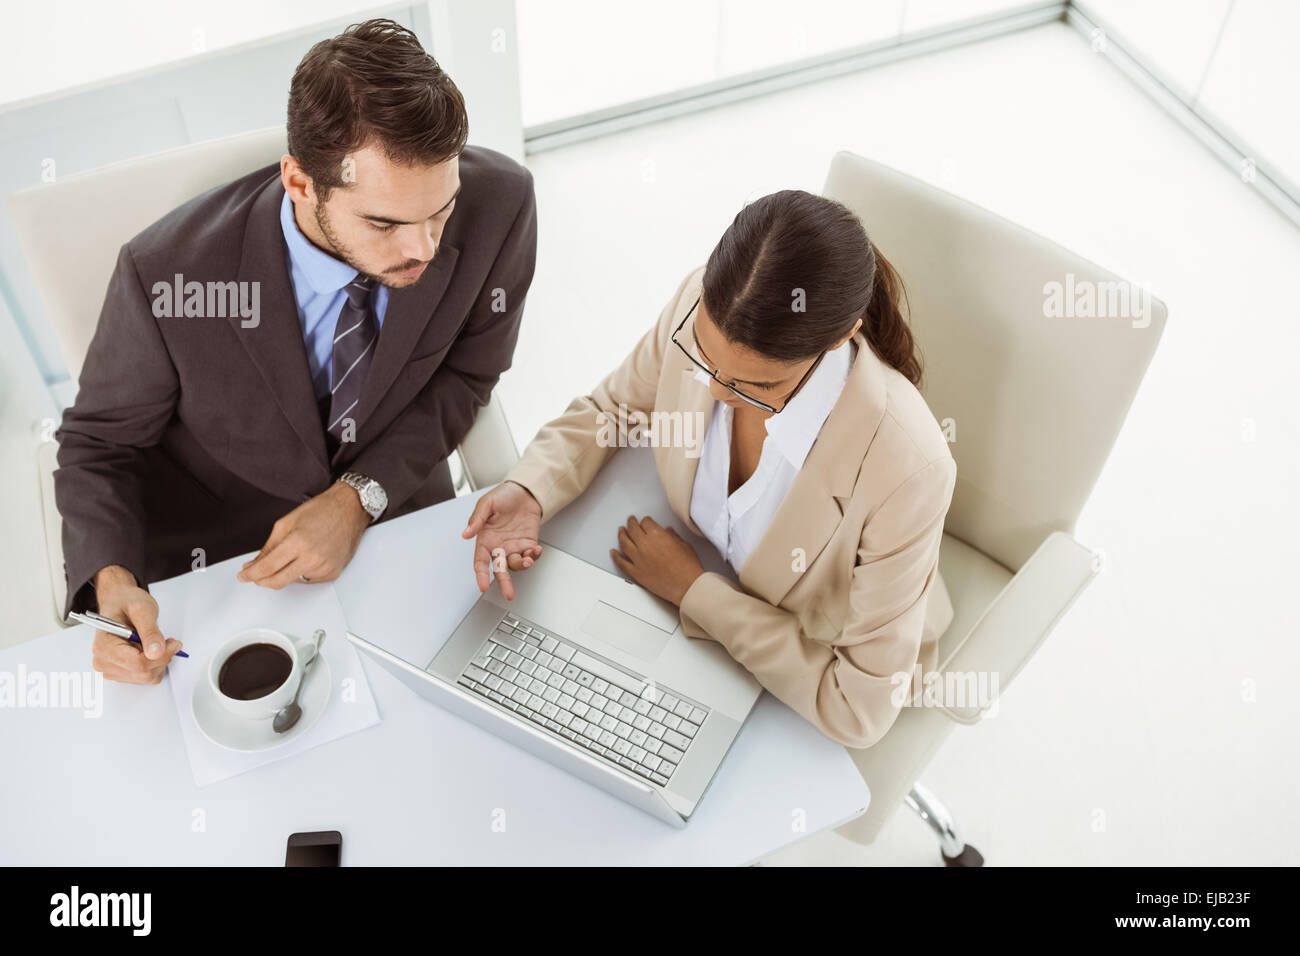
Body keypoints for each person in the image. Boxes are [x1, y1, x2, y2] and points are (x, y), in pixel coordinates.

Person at [56, 19, 537, 684]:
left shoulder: (501, 204)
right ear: (300, 183)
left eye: (439, 213)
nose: (422, 250)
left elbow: (469, 373)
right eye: (385, 223)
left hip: (397, 523)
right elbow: (99, 446)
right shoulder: (166, 276)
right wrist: (110, 583)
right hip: (225, 569)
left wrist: (357, 498)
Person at [463, 189, 954, 751]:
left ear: (842, 338)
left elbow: (856, 711)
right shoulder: (698, 303)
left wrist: (694, 591)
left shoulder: (908, 469)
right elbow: (613, 410)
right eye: (705, 359)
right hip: (679, 606)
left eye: (756, 385)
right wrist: (531, 489)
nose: (716, 392)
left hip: (803, 659)